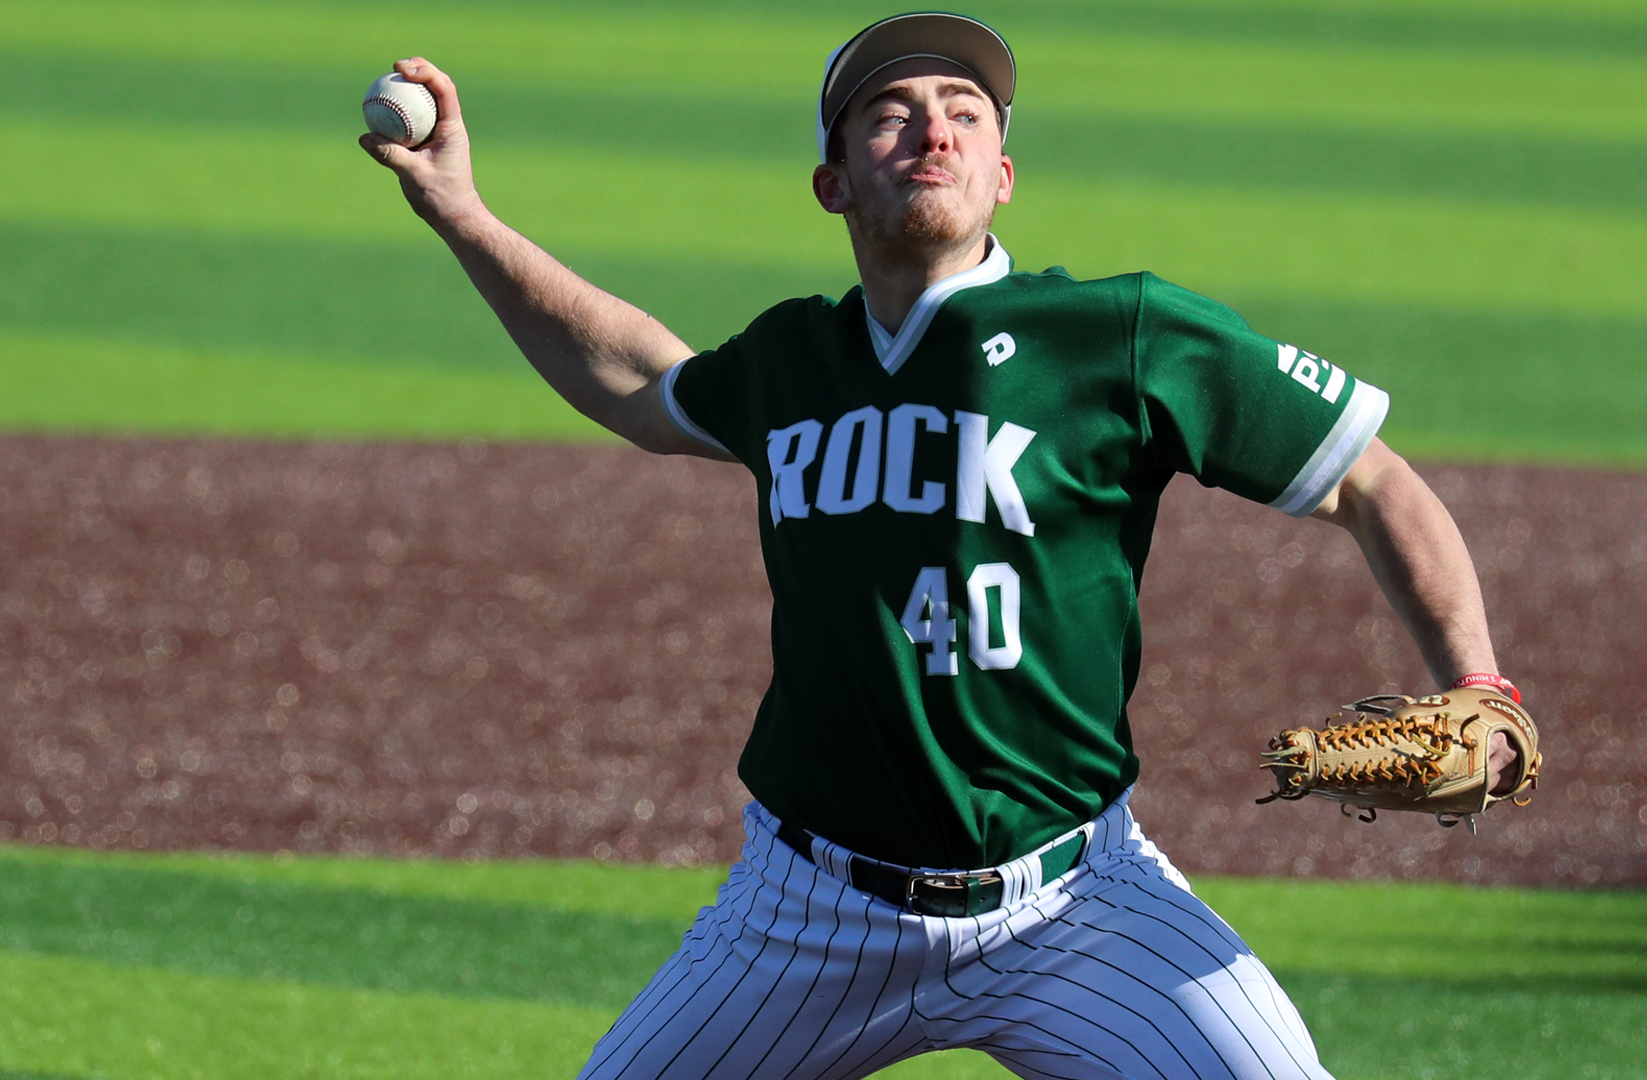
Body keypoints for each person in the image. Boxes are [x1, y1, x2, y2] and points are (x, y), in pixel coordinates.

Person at [362, 13, 1524, 1080]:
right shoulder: (790, 362)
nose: (934, 129)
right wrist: (462, 215)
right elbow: (633, 379)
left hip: (1078, 902)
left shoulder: (1117, 335)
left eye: (966, 113)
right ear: (832, 181)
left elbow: (1370, 477)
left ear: (1003, 176)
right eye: (891, 112)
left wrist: (1478, 682)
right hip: (805, 911)